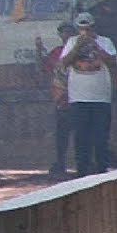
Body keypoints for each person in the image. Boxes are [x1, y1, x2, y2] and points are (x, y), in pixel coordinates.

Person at [59, 12, 117, 176]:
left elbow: (113, 62)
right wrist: (78, 46)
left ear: (93, 27)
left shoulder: (105, 41)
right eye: (81, 28)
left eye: (88, 28)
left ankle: (102, 169)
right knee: (80, 136)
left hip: (101, 97)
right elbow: (64, 63)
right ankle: (82, 170)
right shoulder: (72, 42)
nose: (85, 31)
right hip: (78, 97)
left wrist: (95, 46)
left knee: (101, 136)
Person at [37, 22, 77, 175]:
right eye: (63, 32)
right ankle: (61, 162)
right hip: (62, 99)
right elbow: (43, 67)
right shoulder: (57, 52)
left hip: (79, 97)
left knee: (82, 132)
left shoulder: (79, 51)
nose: (66, 35)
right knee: (62, 134)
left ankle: (85, 161)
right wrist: (39, 50)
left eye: (69, 32)